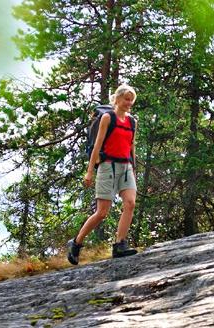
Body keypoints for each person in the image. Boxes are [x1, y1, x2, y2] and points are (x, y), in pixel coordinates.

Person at [67, 84, 139, 265]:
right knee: (102, 212)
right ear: (117, 99)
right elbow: (98, 145)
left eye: (131, 99)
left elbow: (132, 146)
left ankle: (120, 244)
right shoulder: (108, 118)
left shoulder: (132, 122)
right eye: (126, 99)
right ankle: (76, 243)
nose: (129, 103)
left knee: (130, 203)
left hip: (126, 167)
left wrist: (133, 167)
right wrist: (90, 171)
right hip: (107, 166)